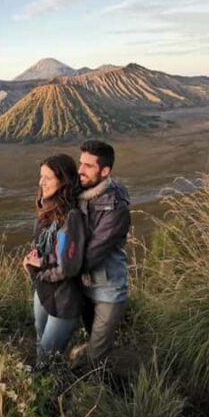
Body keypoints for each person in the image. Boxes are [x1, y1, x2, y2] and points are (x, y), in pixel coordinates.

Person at [23, 154, 87, 364]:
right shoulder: (45, 211)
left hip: (64, 300)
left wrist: (39, 265)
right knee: (41, 344)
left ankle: (58, 394)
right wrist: (31, 260)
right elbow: (41, 248)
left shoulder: (71, 218)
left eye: (48, 178)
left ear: (63, 181)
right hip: (42, 290)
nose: (41, 183)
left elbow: (68, 267)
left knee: (46, 360)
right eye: (41, 176)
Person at [76, 140, 131, 364]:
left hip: (108, 291)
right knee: (92, 338)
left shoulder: (116, 207)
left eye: (88, 166)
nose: (80, 170)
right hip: (85, 286)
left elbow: (92, 253)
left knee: (96, 356)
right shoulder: (80, 192)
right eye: (80, 163)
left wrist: (55, 269)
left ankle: (99, 394)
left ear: (105, 171)